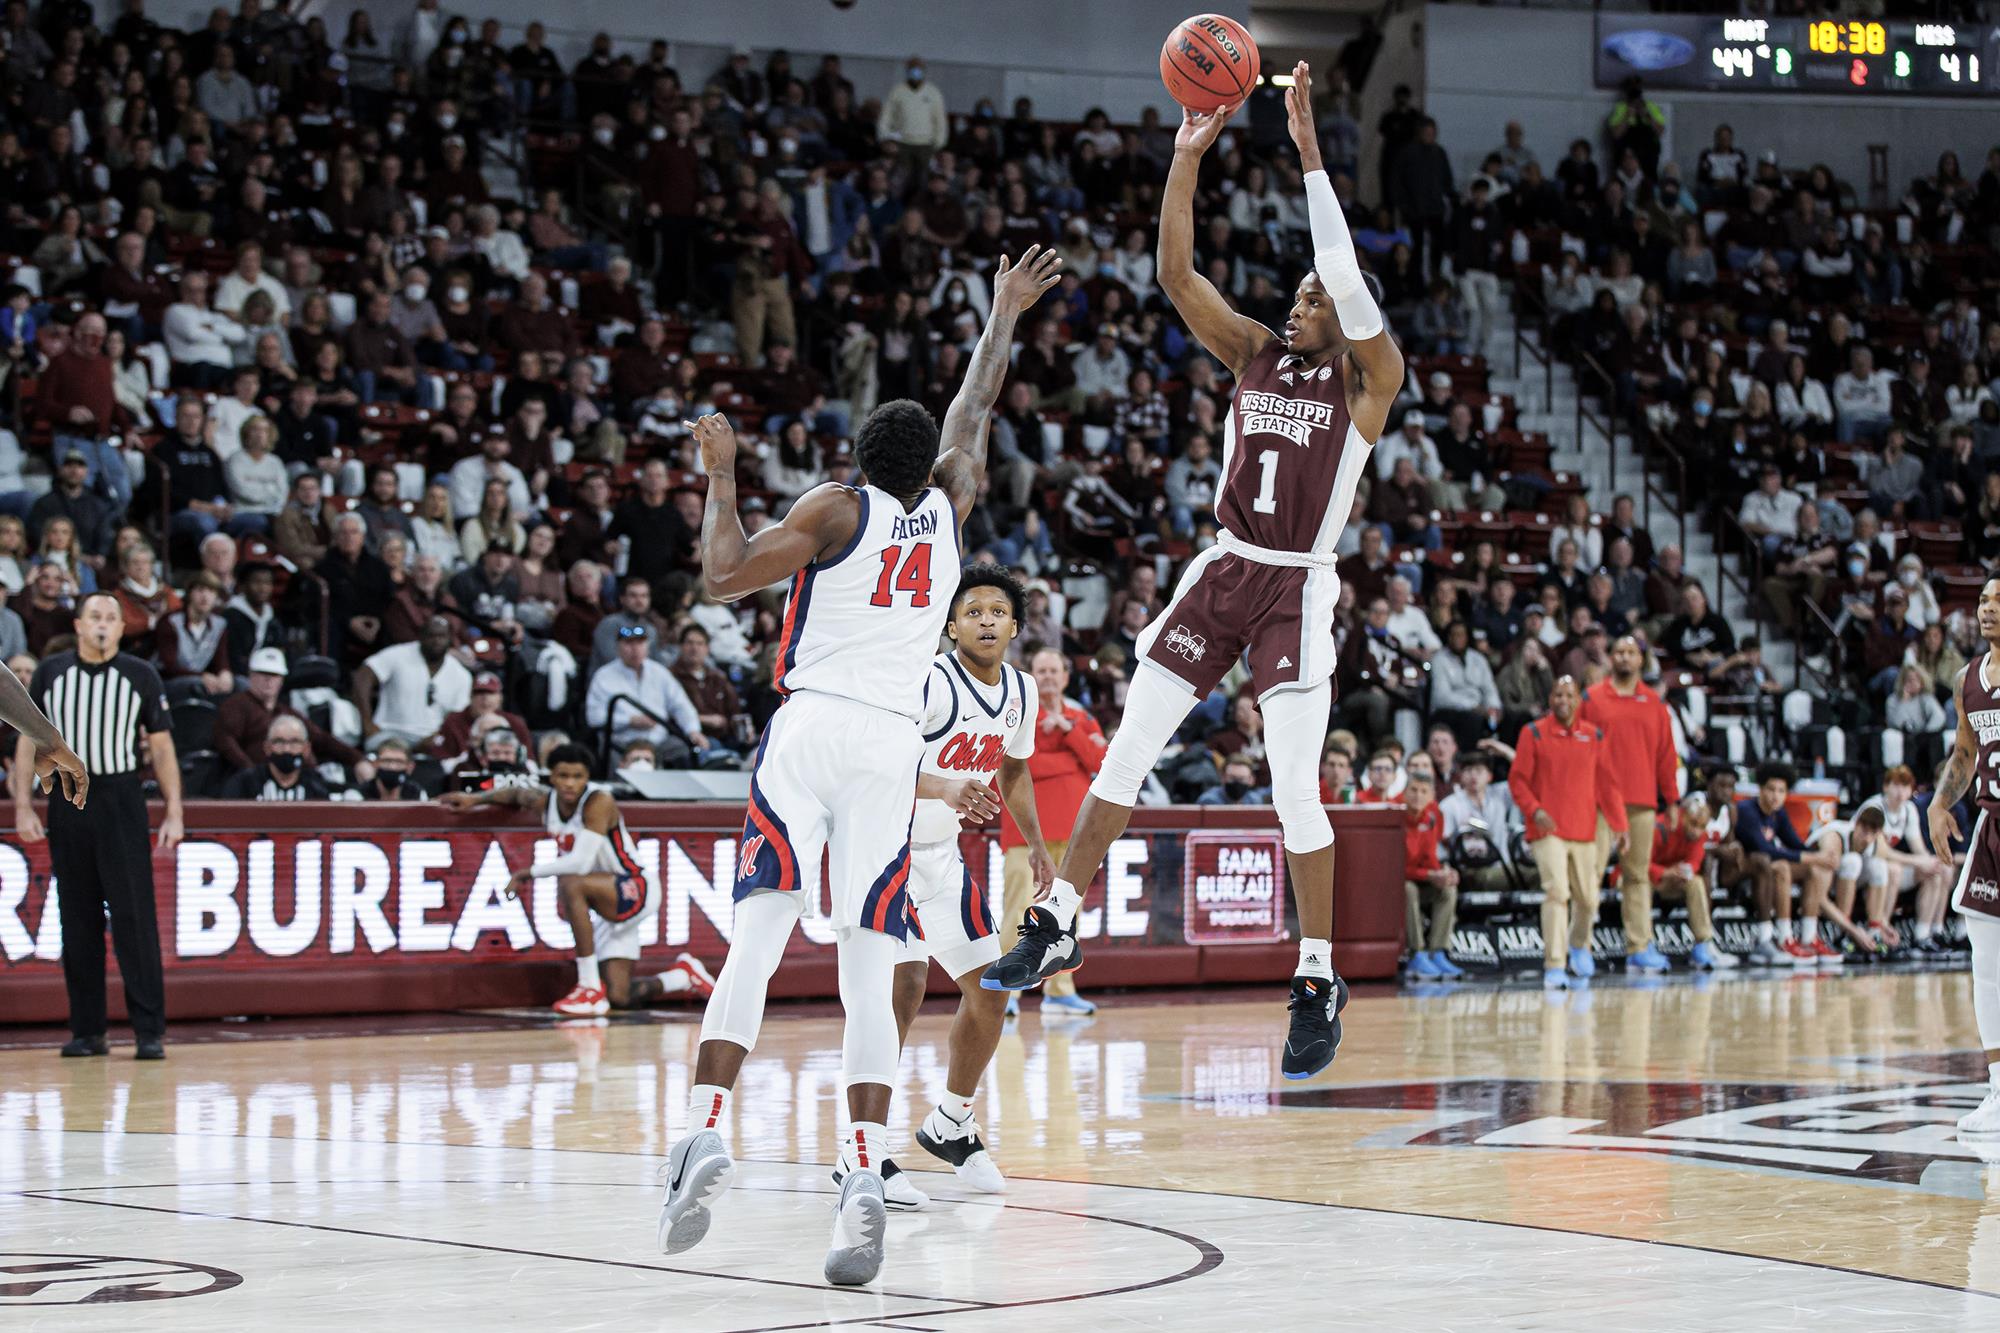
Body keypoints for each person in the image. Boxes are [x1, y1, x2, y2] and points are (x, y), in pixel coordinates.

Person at [984, 66, 1400, 1082]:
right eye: (1296, 293)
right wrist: (1185, 154)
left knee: (1293, 788)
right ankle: (1052, 920)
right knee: (1124, 748)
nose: (1300, 299)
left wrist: (1306, 151)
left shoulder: (1368, 380)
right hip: (1222, 571)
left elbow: (1340, 273)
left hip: (1297, 586)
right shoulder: (1255, 353)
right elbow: (1176, 276)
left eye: (1315, 296)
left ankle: (1312, 975)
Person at [659, 246, 1056, 1286]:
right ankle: (860, 1170)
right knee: (870, 968)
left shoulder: (833, 509)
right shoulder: (947, 511)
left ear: (854, 451)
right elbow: (975, 406)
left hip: (811, 729)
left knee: (756, 936)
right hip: (892, 741)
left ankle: (704, 1128)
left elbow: (720, 575)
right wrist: (1000, 312)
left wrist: (718, 476)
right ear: (930, 466)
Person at [884, 565, 1052, 1204]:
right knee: (903, 988)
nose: (985, 620)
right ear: (950, 625)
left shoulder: (1022, 691)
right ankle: (863, 1149)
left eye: (997, 611)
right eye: (972, 611)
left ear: (1015, 626)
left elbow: (1014, 771)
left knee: (991, 991)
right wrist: (946, 787)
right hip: (885, 851)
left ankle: (951, 1121)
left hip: (942, 856)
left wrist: (1035, 843)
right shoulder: (927, 680)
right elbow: (880, 762)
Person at [12, 591, 178, 1059]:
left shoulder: (141, 675)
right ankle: (87, 1031)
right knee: (77, 917)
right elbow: (29, 741)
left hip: (121, 799)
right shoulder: (50, 672)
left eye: (112, 618)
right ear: (79, 625)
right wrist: (23, 805)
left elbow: (162, 748)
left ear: (122, 629)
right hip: (67, 797)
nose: (103, 624)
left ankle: (149, 1031)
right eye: (95, 617)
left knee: (134, 917)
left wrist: (175, 810)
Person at [440, 743, 716, 1015]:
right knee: (620, 996)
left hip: (634, 886)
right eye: (563, 776)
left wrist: (526, 873)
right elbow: (516, 794)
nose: (570, 784)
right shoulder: (545, 801)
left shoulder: (598, 801)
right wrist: (475, 800)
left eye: (577, 776)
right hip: (604, 892)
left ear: (587, 778)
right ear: (552, 777)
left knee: (572, 883)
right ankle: (682, 976)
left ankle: (588, 987)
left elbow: (581, 862)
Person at [995, 645, 1104, 1017]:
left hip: (1075, 835)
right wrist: (1070, 761)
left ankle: (1059, 992)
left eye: (1054, 671)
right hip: (1027, 835)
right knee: (1018, 911)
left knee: (1066, 916)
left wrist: (1069, 733)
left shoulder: (1080, 717)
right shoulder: (1017, 714)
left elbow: (1101, 762)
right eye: (1041, 671)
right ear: (1031, 676)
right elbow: (1015, 768)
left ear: (1066, 676)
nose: (1048, 678)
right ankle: (1008, 992)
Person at [1928, 575, 2000, 1136]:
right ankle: (1999, 1092)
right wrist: (1938, 802)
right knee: (1987, 961)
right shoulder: (1966, 679)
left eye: (1999, 603)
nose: (1988, 610)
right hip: (1992, 825)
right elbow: (1964, 751)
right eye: (1983, 601)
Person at [1510, 676, 1627, 988]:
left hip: (1585, 829)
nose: (1563, 701)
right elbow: (1518, 781)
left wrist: (1619, 824)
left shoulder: (1594, 735)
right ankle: (1555, 964)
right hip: (1547, 830)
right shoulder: (1532, 733)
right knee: (1557, 892)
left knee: (1589, 899)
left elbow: (1608, 784)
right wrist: (1535, 809)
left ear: (1578, 700)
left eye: (1569, 695)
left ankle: (1578, 944)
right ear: (1550, 698)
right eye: (1557, 695)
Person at [1581, 635, 1681, 972]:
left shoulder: (1655, 704)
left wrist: (1673, 800)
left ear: (1642, 660)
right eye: (1619, 652)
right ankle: (1579, 945)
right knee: (1589, 874)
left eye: (1631, 653)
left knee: (1637, 875)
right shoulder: (1592, 699)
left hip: (1641, 799)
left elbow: (1667, 756)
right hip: (1597, 800)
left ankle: (1639, 946)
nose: (1624, 658)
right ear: (1610, 659)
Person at [1735, 762, 1841, 966]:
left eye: (1781, 791)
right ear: (1760, 789)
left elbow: (1795, 844)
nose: (1776, 796)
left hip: (1767, 866)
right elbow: (1764, 850)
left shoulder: (1778, 813)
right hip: (1748, 867)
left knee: (1814, 868)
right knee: (1783, 867)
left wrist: (1822, 857)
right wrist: (1813, 857)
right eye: (1771, 789)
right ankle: (1785, 938)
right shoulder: (1747, 810)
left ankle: (1809, 937)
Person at [1856, 765, 1955, 953]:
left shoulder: (1909, 809)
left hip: (1885, 867)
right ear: (1885, 787)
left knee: (1934, 872)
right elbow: (1881, 852)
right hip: (1861, 866)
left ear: (1911, 790)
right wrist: (1919, 862)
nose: (1900, 791)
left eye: (1905, 786)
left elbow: (1918, 847)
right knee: (1893, 869)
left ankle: (1923, 934)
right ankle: (1879, 930)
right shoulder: (1874, 807)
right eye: (1895, 785)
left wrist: (1931, 862)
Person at [584, 622, 708, 763]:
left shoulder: (659, 672)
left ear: (648, 647)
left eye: (640, 643)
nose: (635, 649)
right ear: (618, 647)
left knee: (684, 750)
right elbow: (594, 717)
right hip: (621, 743)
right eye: (629, 643)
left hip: (658, 742)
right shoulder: (603, 676)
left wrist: (693, 730)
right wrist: (629, 721)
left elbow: (681, 705)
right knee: (611, 756)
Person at [1649, 792, 1738, 969]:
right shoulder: (1661, 828)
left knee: (1696, 882)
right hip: (1645, 878)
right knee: (1640, 886)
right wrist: (1666, 872)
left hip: (1669, 881)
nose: (1695, 831)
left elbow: (1694, 863)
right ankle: (1645, 945)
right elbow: (1638, 864)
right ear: (1683, 816)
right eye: (1693, 824)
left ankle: (1703, 944)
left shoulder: (1700, 836)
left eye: (1701, 827)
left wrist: (1682, 873)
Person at [353, 614, 473, 745]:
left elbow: (457, 717)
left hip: (432, 738)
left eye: (441, 636)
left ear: (450, 639)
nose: (436, 641)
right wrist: (367, 723)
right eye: (431, 635)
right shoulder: (397, 654)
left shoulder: (461, 675)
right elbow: (362, 677)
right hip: (389, 733)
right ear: (420, 636)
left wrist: (438, 736)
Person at [1400, 769, 1457, 975]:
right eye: (1413, 790)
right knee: (1409, 890)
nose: (1418, 796)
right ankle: (1417, 953)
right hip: (1398, 883)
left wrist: (1443, 874)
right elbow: (1396, 868)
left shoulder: (1433, 815)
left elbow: (1430, 855)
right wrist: (1430, 875)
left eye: (1424, 791)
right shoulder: (1395, 816)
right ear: (1404, 792)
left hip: (1421, 876)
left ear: (1432, 795)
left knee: (1448, 890)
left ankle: (1438, 952)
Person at [219, 713, 331, 801]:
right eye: (279, 742)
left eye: (294, 742)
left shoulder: (316, 786)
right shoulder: (244, 783)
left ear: (306, 749)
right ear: (267, 747)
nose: (287, 749)